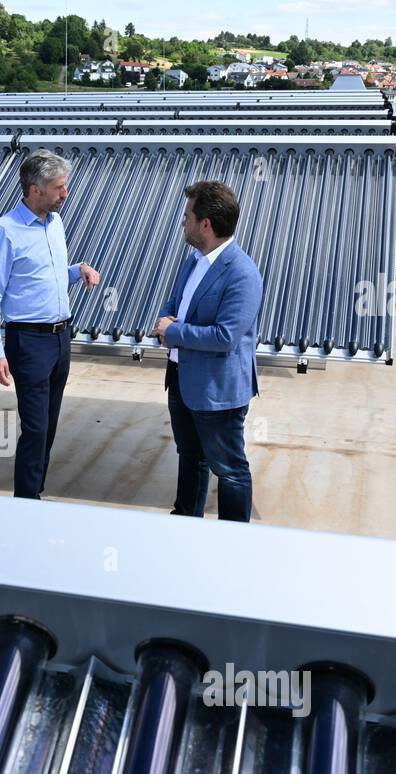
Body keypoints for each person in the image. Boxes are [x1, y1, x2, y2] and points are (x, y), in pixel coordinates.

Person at [0, 150, 100, 500]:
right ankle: (26, 503)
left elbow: (45, 278)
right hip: (28, 342)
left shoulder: (55, 223)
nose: (65, 194)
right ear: (35, 189)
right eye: (59, 188)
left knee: (48, 427)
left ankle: (36, 493)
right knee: (34, 429)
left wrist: (79, 272)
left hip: (61, 338)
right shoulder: (6, 231)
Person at [152, 181, 263, 522]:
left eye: (187, 216)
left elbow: (225, 336)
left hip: (218, 391)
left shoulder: (242, 274)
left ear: (206, 225)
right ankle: (186, 520)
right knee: (190, 456)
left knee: (229, 469)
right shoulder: (194, 259)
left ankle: (231, 539)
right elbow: (177, 302)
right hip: (181, 378)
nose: (182, 222)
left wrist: (173, 332)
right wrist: (167, 319)